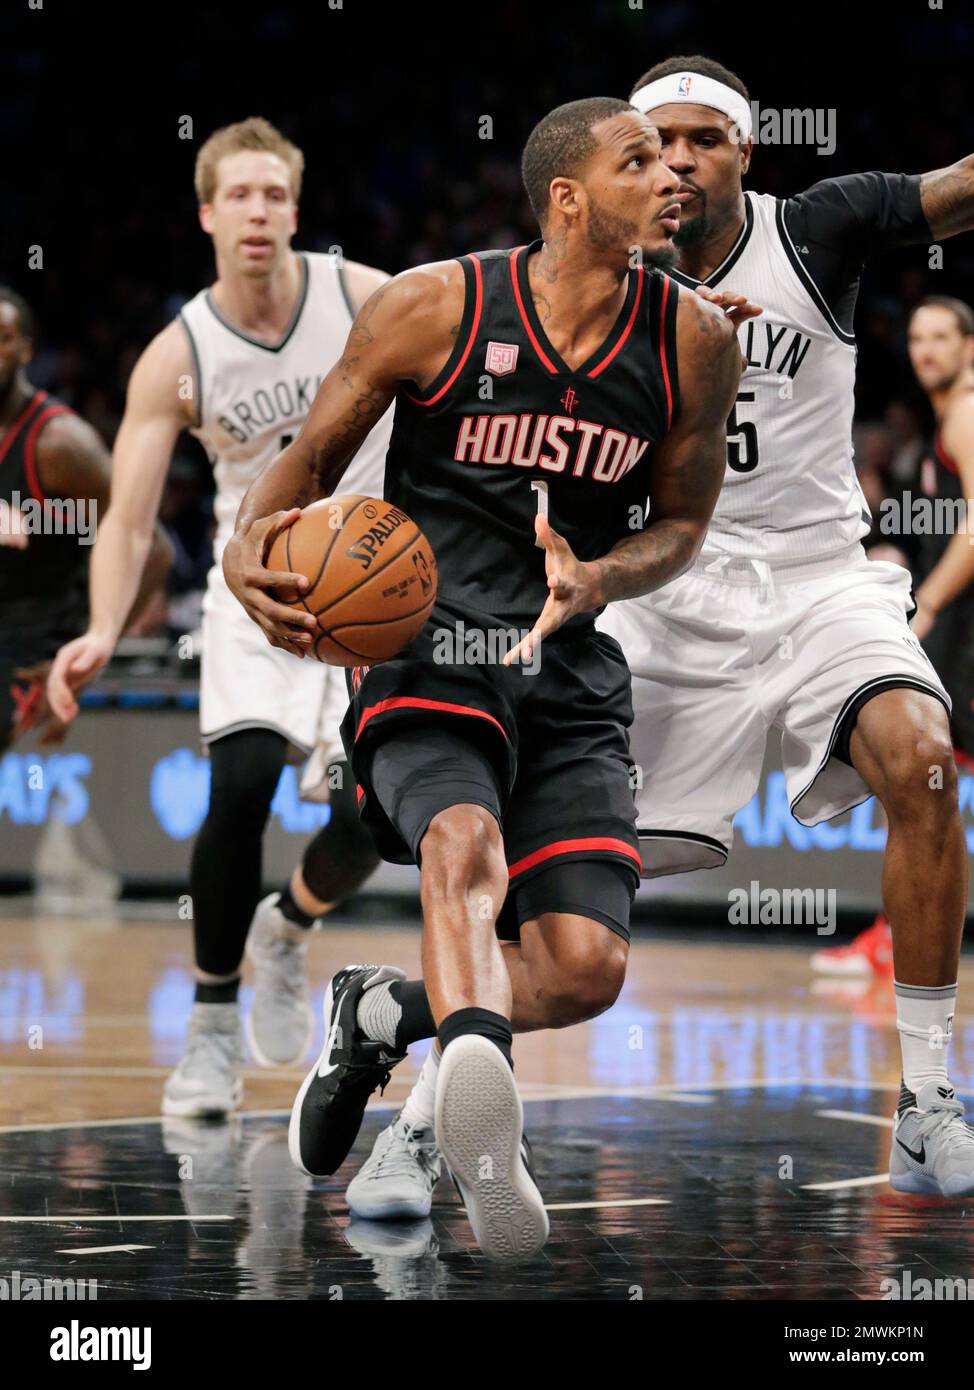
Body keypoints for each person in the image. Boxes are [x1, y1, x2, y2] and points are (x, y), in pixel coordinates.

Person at [223, 96, 751, 1258]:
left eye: (676, 158)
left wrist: (601, 577)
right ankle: (478, 1127)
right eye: (638, 160)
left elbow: (683, 525)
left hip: (567, 663)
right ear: (568, 199)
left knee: (581, 968)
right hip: (427, 640)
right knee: (461, 843)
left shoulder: (695, 341)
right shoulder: (437, 305)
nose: (670, 174)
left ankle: (380, 1014)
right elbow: (308, 457)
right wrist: (241, 548)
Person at [593, 56, 974, 1196]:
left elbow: (951, 189)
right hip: (665, 587)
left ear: (743, 153)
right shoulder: (596, 271)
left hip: (817, 578)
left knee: (920, 763)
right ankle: (430, 1059)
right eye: (653, 142)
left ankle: (927, 1096)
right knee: (567, 906)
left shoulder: (815, 228)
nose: (675, 160)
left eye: (702, 139)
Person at [47, 118, 389, 1116]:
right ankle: (208, 1031)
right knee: (238, 785)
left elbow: (484, 331)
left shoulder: (363, 297)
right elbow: (127, 518)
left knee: (376, 815)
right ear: (206, 212)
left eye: (274, 194)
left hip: (369, 576)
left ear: (295, 207)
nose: (257, 211)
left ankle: (287, 927)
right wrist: (107, 626)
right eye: (238, 195)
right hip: (259, 580)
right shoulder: (177, 353)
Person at [814, 296, 974, 979]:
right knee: (921, 784)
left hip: (961, 626)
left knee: (911, 781)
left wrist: (930, 605)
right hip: (957, 623)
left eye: (941, 337)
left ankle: (894, 939)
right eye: (916, 337)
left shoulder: (967, 413)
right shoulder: (945, 420)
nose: (926, 349)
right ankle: (895, 935)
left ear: (969, 345)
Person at [0, 286, 171, 753]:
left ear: (27, 349)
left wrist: (93, 648)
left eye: (3, 337)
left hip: (29, 648)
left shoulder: (59, 446)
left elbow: (154, 545)